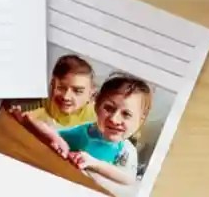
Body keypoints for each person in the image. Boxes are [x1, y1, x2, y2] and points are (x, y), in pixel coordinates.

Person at [15, 73, 152, 187]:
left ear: (140, 121)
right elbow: (55, 134)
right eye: (109, 108)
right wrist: (29, 121)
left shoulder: (126, 150)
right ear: (97, 105)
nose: (114, 119)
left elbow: (128, 179)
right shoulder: (86, 132)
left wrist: (93, 163)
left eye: (126, 114)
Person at [8, 54, 98, 129]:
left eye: (77, 91)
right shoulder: (47, 101)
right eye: (61, 88)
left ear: (91, 94)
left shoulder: (95, 117)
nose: (66, 96)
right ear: (52, 85)